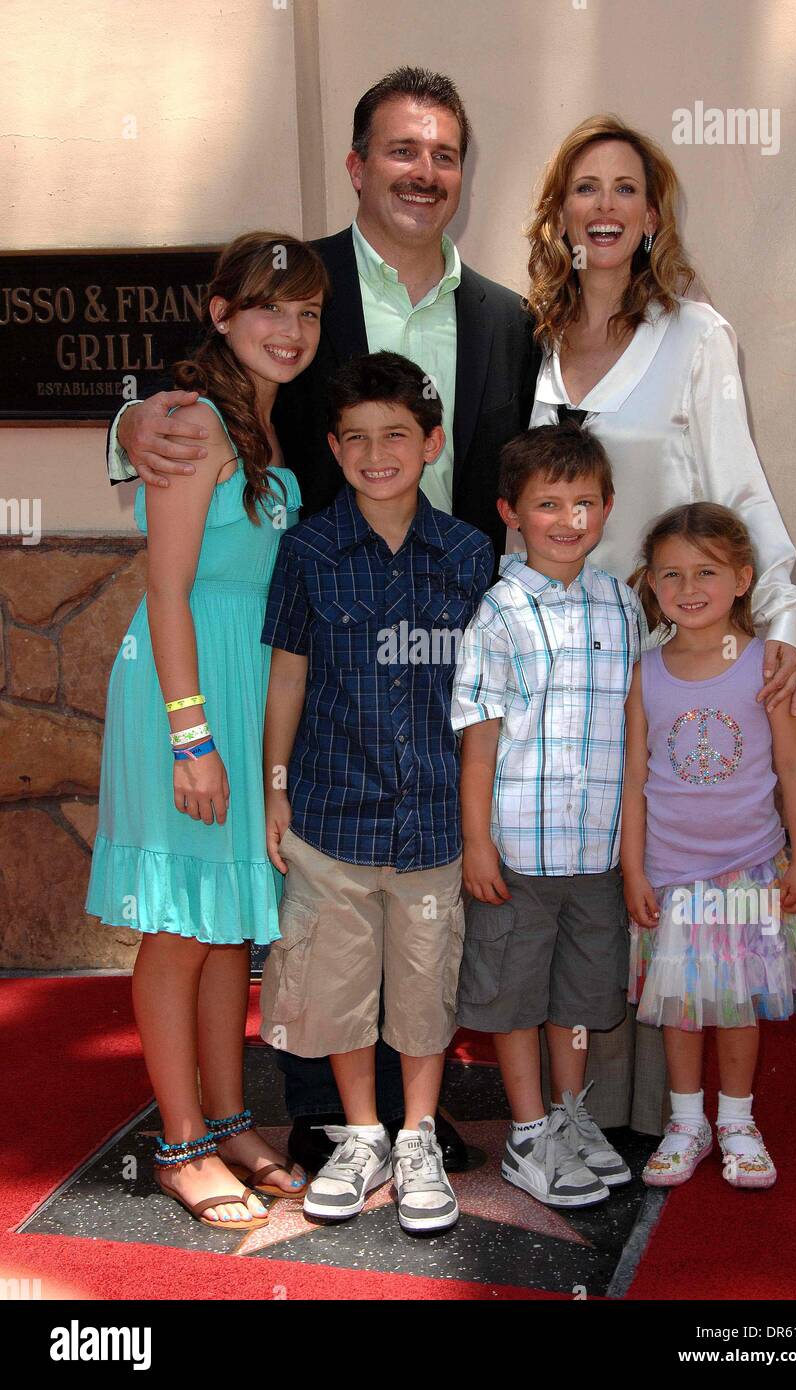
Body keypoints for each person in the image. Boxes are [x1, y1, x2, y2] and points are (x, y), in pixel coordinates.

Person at [104, 67, 539, 1169]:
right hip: (304, 641)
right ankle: (312, 1108)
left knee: (377, 880)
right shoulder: (303, 279)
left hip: (426, 634)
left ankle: (395, 1109)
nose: (422, 172)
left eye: (442, 154)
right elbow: (184, 419)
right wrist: (130, 421)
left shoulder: (503, 317)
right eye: (401, 150)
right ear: (357, 166)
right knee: (296, 890)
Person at [524, 114, 796, 1133]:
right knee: (581, 886)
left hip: (659, 654)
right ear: (559, 213)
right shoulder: (525, 338)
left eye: (623, 190)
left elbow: (737, 488)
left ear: (650, 216)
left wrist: (774, 618)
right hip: (556, 662)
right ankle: (582, 1110)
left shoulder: (694, 336)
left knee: (666, 884)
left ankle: (672, 1109)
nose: (602, 206)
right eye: (583, 188)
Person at [86, 232, 329, 1228]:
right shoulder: (189, 423)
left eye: (308, 312)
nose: (291, 329)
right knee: (182, 925)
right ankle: (180, 1139)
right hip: (182, 691)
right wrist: (191, 736)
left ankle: (230, 1118)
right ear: (221, 313)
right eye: (270, 307)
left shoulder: (266, 428)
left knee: (232, 921)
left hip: (243, 688)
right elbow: (168, 589)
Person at [259, 351, 495, 1233]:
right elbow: (287, 678)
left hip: (434, 820)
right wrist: (277, 788)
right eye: (354, 438)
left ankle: (419, 1135)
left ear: (429, 443)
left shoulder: (469, 554)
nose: (375, 452)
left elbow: (485, 699)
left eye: (395, 434)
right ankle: (359, 1135)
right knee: (339, 985)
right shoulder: (309, 550)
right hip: (330, 814)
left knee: (425, 988)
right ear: (333, 445)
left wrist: (480, 818)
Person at [451, 421, 644, 1208]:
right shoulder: (497, 613)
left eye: (584, 503)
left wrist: (632, 851)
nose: (568, 521)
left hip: (594, 853)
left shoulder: (623, 604)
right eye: (548, 504)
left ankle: (568, 1116)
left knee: (577, 998)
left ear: (606, 509)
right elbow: (479, 743)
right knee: (513, 993)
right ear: (511, 512)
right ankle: (528, 1131)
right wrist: (476, 844)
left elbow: (633, 736)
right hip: (518, 851)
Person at [622, 503, 796, 1187]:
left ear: (741, 579)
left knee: (735, 1004)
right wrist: (632, 868)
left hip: (747, 871)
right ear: (651, 583)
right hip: (670, 874)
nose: (687, 586)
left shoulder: (769, 663)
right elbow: (634, 778)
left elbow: (794, 766)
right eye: (670, 574)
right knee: (680, 1006)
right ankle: (686, 1123)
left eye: (705, 571)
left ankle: (737, 1120)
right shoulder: (643, 673)